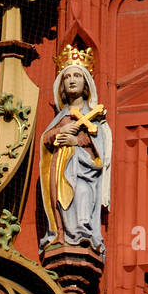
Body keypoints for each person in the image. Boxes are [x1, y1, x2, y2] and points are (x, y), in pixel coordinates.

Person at [40, 50, 112, 254]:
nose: (72, 80)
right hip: (60, 168)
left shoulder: (93, 114)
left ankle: (82, 232)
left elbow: (98, 140)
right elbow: (45, 140)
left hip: (84, 168)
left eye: (77, 76)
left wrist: (76, 140)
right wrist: (60, 131)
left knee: (81, 192)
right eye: (67, 77)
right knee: (62, 199)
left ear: (86, 82)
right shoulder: (63, 115)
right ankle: (63, 233)